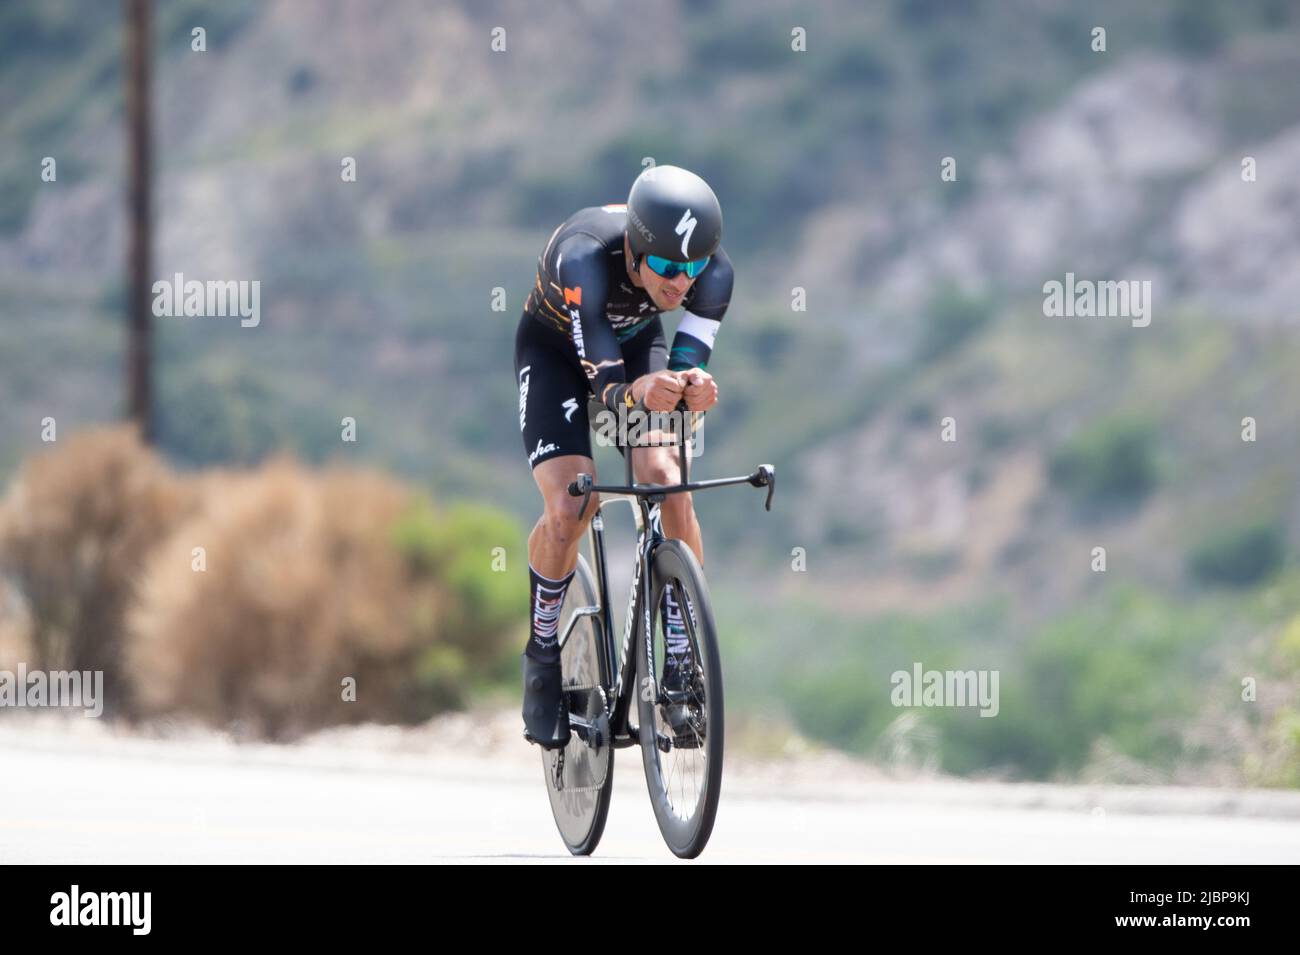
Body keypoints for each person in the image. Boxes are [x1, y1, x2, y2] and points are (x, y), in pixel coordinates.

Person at [513, 164, 733, 748]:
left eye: (691, 268)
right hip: (558, 350)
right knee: (570, 504)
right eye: (665, 267)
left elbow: (686, 365)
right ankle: (540, 654)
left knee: (665, 475)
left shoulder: (712, 273)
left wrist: (693, 389)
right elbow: (605, 381)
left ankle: (682, 653)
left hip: (635, 346)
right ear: (635, 252)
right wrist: (633, 394)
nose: (680, 283)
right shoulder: (583, 257)